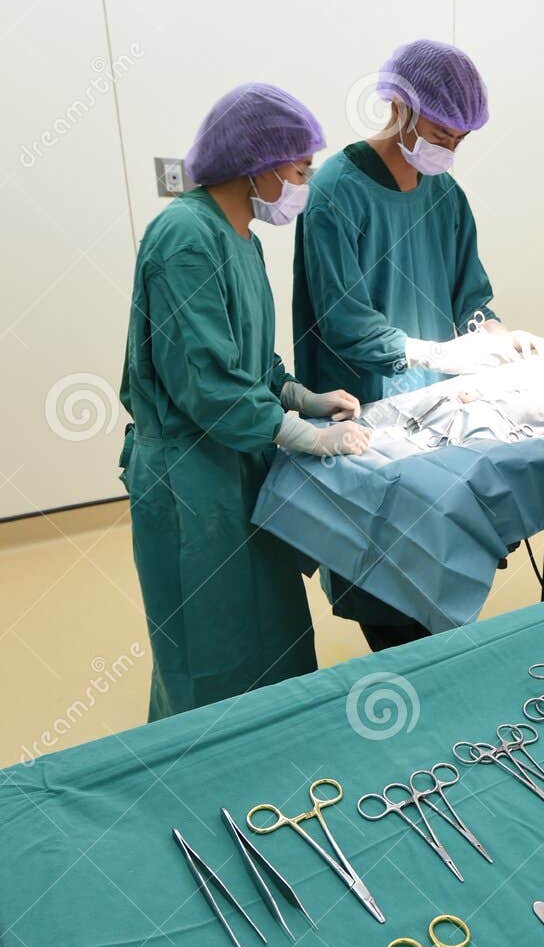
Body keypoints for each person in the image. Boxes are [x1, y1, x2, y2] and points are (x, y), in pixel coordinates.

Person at [120, 82, 370, 720]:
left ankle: (271, 755)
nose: (305, 184)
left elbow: (250, 368)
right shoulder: (184, 238)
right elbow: (206, 386)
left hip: (239, 468)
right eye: (299, 169)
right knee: (209, 650)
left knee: (271, 636)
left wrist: (303, 398)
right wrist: (302, 434)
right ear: (257, 165)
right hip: (192, 484)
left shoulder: (246, 240)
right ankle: (201, 786)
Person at [292, 38, 544, 650]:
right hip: (366, 406)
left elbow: (471, 297)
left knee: (442, 551)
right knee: (384, 572)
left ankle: (435, 669)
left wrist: (493, 335)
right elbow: (342, 319)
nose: (449, 150)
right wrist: (430, 353)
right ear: (400, 108)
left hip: (441, 408)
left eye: (460, 140)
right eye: (441, 133)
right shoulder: (333, 192)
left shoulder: (446, 197)